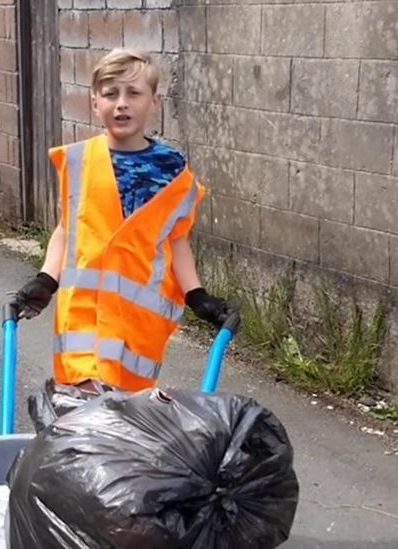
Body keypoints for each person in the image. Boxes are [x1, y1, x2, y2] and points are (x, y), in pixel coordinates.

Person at [13, 48, 234, 392]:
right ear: (94, 103)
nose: (121, 103)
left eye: (134, 93)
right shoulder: (79, 161)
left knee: (126, 416)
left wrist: (197, 295)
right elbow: (66, 230)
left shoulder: (172, 170)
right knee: (84, 405)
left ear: (154, 101)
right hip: (82, 315)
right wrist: (45, 280)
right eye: (110, 93)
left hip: (137, 324)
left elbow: (176, 239)